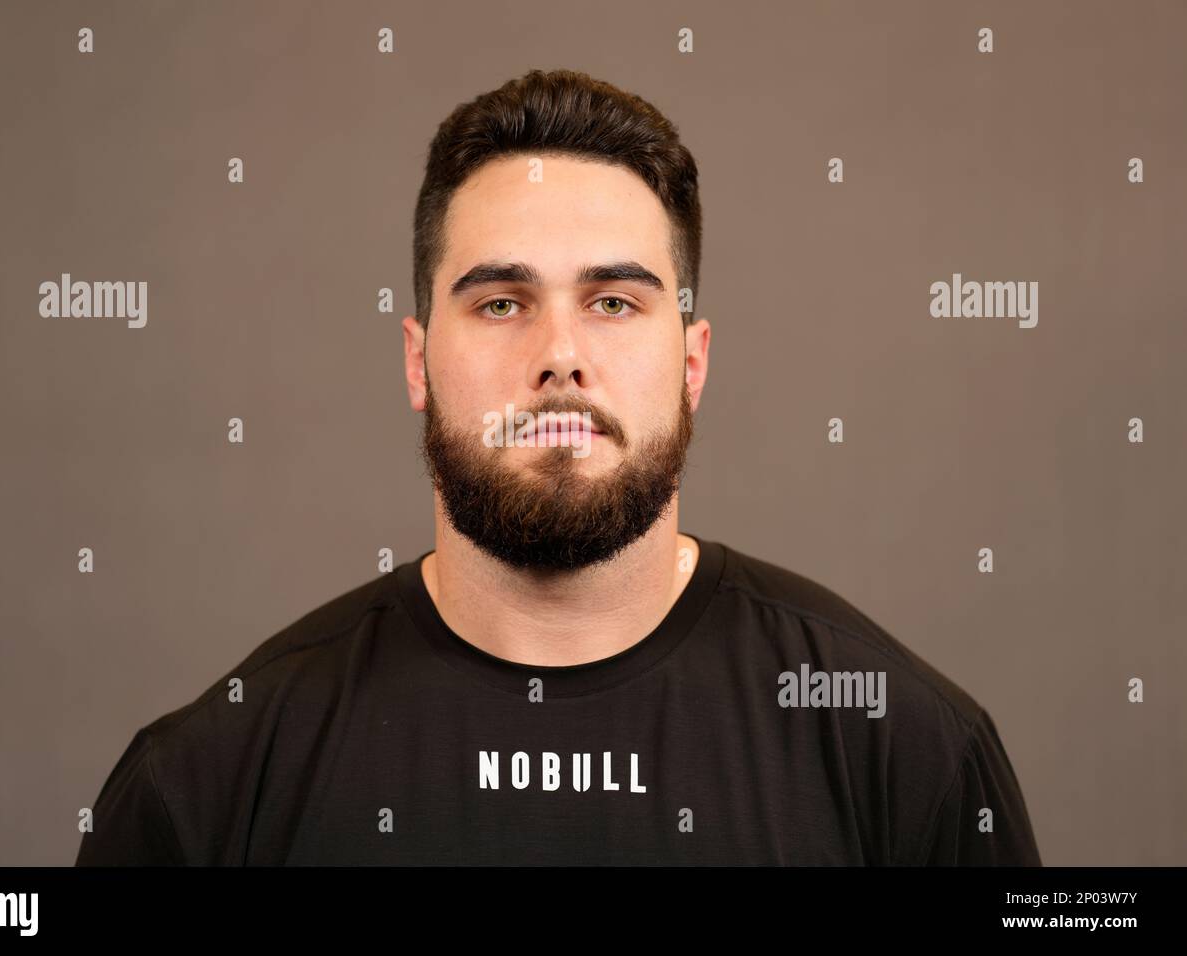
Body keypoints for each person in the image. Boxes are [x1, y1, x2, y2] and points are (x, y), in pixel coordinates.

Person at [76, 68, 1041, 866]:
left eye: (614, 303)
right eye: (500, 302)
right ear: (417, 360)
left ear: (693, 362)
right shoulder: (210, 785)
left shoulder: (905, 753)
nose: (559, 355)